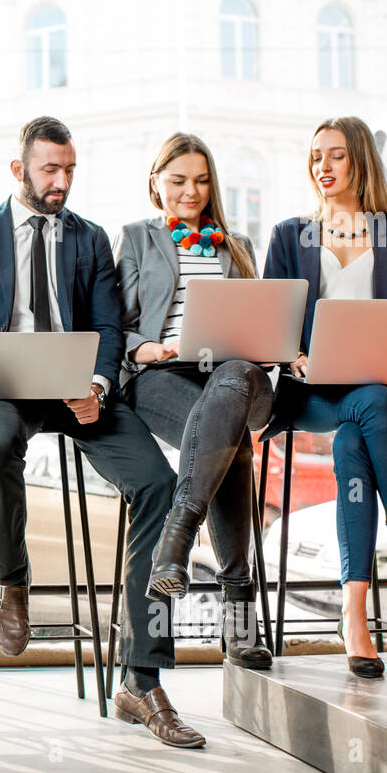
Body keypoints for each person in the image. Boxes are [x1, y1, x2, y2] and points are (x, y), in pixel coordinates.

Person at [0, 117, 197, 749]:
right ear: (19, 171)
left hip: (76, 390)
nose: (60, 183)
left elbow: (110, 329)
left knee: (157, 484)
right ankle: (14, 581)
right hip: (4, 388)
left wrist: (97, 384)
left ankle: (140, 679)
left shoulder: (89, 241)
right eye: (48, 171)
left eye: (69, 171)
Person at [264, 115, 387, 679]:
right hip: (308, 394)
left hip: (368, 398)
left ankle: (353, 615)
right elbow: (272, 324)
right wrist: (291, 356)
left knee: (359, 432)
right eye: (316, 156)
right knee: (369, 404)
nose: (323, 167)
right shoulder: (289, 235)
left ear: (361, 162)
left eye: (337, 156)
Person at [115, 132, 274, 671]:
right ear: (155, 181)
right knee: (226, 445)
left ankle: (178, 539)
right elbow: (119, 327)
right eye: (179, 180)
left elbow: (258, 328)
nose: (192, 192)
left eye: (202, 181)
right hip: (161, 374)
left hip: (231, 373)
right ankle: (238, 609)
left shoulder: (238, 247)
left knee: (231, 388)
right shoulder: (137, 238)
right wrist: (151, 347)